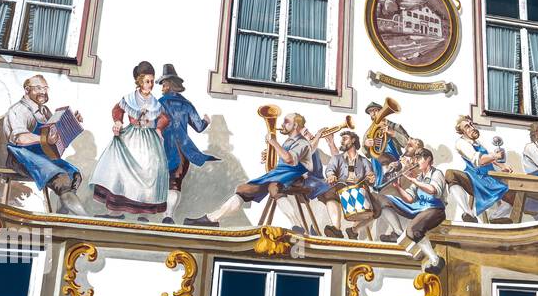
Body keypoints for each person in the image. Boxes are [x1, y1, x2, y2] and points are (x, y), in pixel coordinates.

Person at [185, 112, 322, 229]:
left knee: (274, 187)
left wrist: (274, 143)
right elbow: (282, 162)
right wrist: (270, 154)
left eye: (286, 122)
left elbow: (289, 160)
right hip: (280, 174)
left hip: (295, 176)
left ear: (295, 126)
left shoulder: (302, 143)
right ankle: (212, 219)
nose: (282, 125)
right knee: (244, 189)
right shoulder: (287, 142)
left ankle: (296, 225)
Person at [91, 61, 171, 218]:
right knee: (120, 168)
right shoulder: (129, 98)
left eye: (152, 81)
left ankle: (144, 215)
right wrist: (118, 122)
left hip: (149, 140)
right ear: (140, 81)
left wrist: (159, 128)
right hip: (131, 137)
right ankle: (115, 211)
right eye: (147, 81)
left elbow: (164, 118)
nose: (150, 85)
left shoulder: (155, 102)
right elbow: (117, 110)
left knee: (150, 170)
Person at [2, 74, 84, 212]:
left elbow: (53, 132)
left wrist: (72, 122)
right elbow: (20, 138)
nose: (44, 92)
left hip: (41, 154)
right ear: (27, 90)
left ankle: (62, 217)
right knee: (62, 179)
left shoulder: (44, 110)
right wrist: (44, 139)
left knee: (75, 175)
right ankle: (84, 220)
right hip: (19, 156)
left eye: (46, 88)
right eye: (38, 88)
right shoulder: (19, 110)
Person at [156, 64, 216, 224]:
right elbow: (199, 126)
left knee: (156, 180)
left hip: (161, 147)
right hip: (182, 150)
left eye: (163, 83)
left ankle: (152, 215)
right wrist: (206, 121)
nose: (161, 87)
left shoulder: (159, 103)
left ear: (168, 84)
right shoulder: (187, 104)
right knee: (174, 183)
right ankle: (168, 215)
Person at [378, 148, 452, 274]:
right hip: (419, 207)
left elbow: (433, 190)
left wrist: (414, 181)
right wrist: (398, 187)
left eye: (419, 158)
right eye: (416, 159)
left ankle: (436, 260)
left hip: (435, 209)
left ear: (428, 159)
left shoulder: (436, 173)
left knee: (413, 229)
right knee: (385, 200)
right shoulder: (419, 177)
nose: (417, 161)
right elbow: (409, 199)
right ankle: (398, 232)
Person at [454, 115, 511, 219]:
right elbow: (479, 160)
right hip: (476, 177)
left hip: (489, 176)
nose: (472, 128)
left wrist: (502, 166)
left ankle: (495, 218)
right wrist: (495, 155)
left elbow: (489, 156)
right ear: (462, 132)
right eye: (467, 127)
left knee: (511, 198)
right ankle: (472, 214)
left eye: (471, 124)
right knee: (505, 194)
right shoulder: (461, 143)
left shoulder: (478, 143)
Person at [323, 129, 377, 239]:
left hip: (359, 188)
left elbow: (370, 177)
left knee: (376, 209)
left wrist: (371, 179)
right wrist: (330, 176)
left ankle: (354, 230)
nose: (342, 142)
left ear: (353, 140)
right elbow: (330, 169)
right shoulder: (337, 158)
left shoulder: (365, 161)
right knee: (329, 193)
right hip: (341, 185)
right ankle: (336, 228)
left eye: (345, 139)